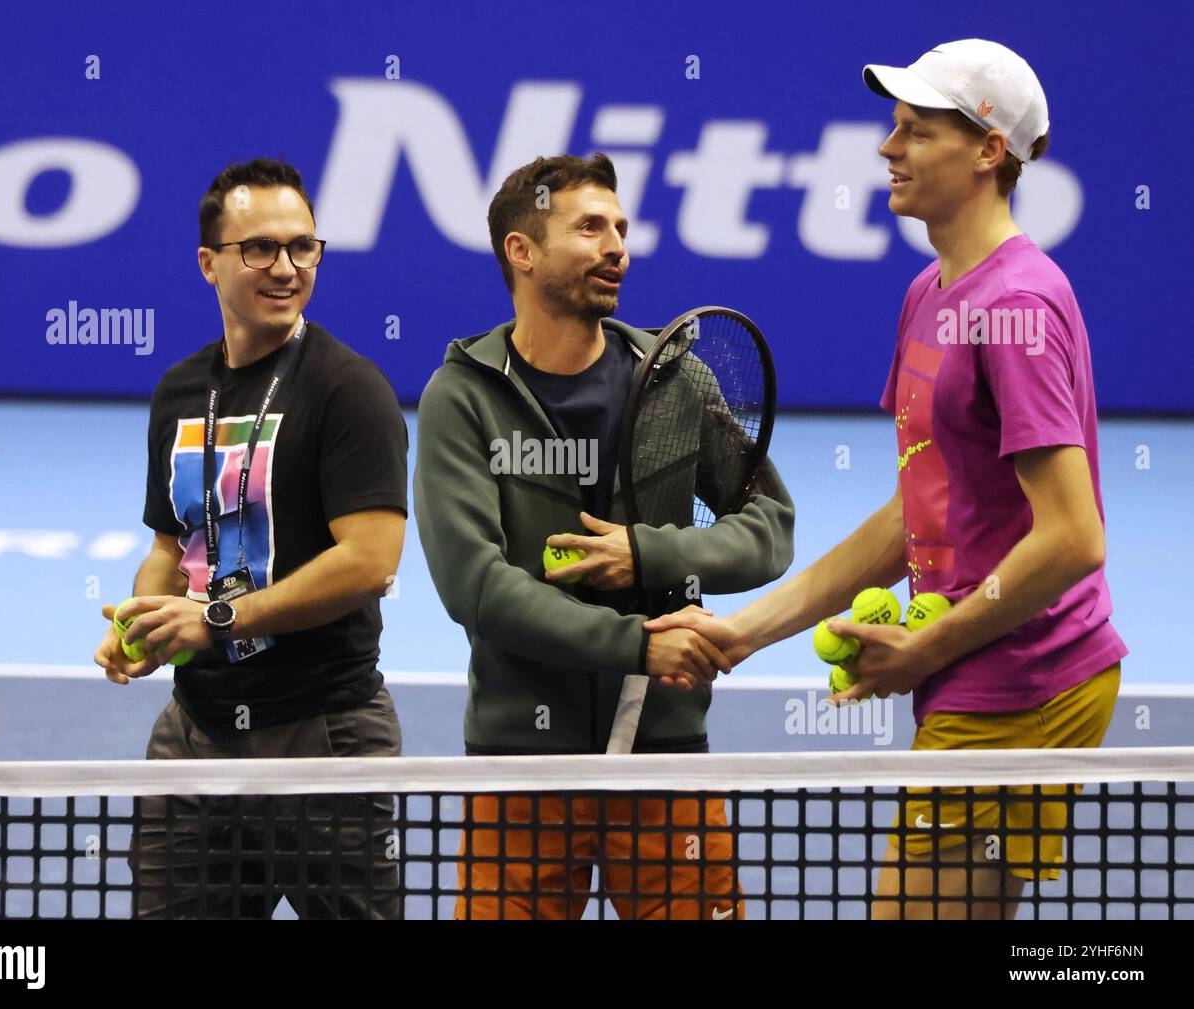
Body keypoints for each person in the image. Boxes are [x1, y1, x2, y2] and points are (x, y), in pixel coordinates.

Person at [646, 40, 1127, 920]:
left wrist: (932, 646)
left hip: (1024, 675)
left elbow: (1074, 536)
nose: (885, 148)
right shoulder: (928, 293)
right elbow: (918, 509)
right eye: (892, 127)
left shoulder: (1017, 307)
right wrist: (749, 629)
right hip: (980, 659)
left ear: (988, 151)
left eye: (916, 131)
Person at [414, 153, 795, 919]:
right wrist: (639, 645)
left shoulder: (677, 378)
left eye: (621, 227)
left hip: (665, 759)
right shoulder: (464, 397)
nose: (618, 245)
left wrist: (651, 553)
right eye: (590, 227)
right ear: (522, 252)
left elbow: (769, 527)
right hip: (522, 762)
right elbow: (475, 586)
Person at [91, 158, 409, 919]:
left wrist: (217, 619)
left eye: (303, 247)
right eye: (260, 248)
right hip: (196, 733)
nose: (287, 266)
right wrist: (146, 622)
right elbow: (170, 548)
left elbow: (371, 561)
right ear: (210, 263)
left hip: (325, 736)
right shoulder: (177, 391)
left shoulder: (347, 388)